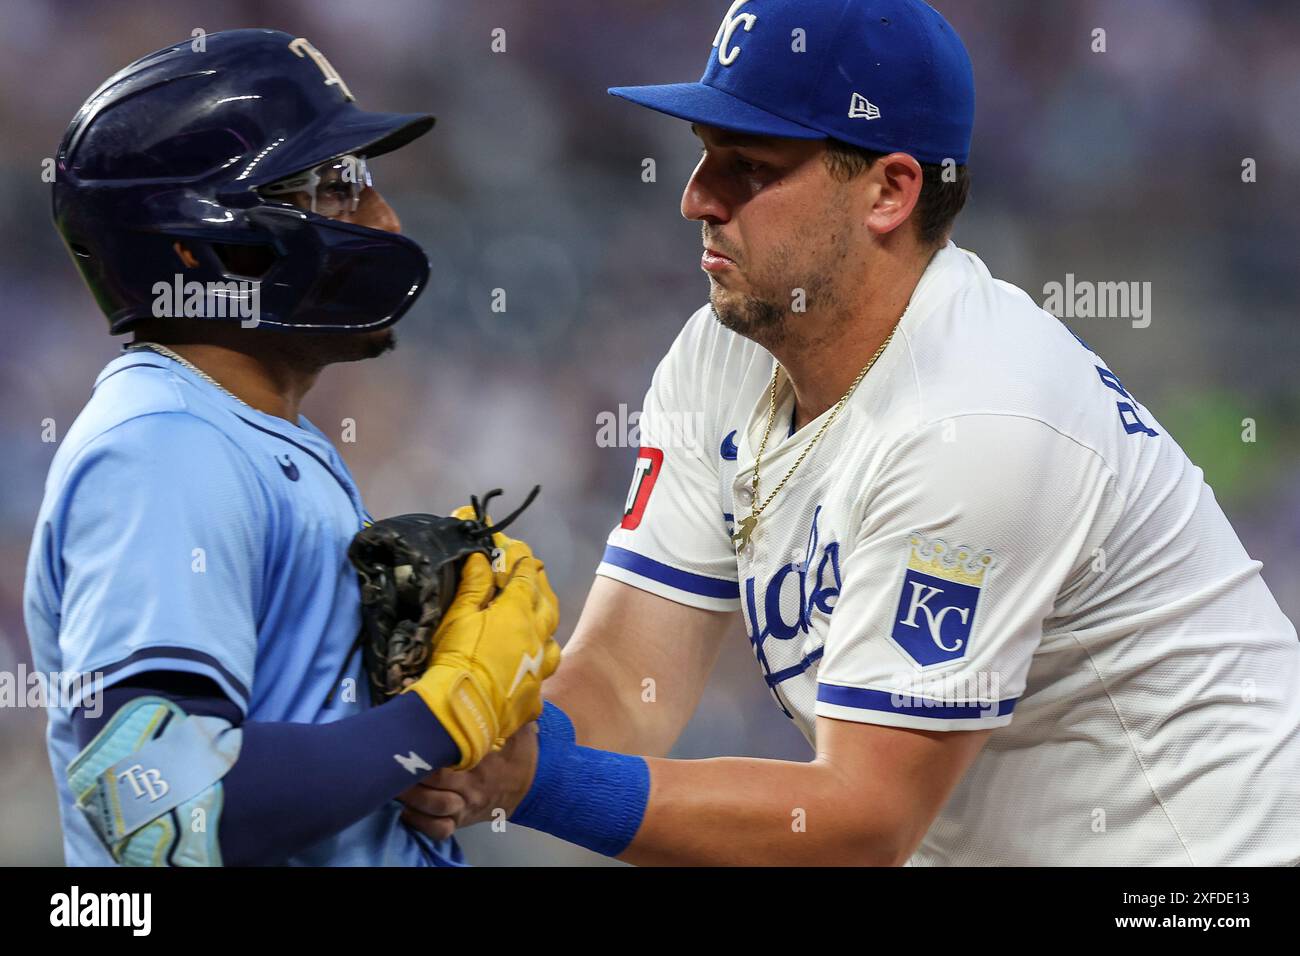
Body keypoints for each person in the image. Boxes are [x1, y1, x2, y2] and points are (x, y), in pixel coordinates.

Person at [399, 0, 1300, 865]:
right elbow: (631, 678)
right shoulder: (728, 348)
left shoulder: (980, 415)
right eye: (703, 152)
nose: (696, 199)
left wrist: (537, 782)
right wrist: (489, 744)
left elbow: (861, 825)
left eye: (747, 165)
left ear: (890, 191)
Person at [24, 28, 559, 867]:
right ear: (204, 244)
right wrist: (437, 719)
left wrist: (437, 728)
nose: (384, 220)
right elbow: (157, 809)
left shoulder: (242, 431)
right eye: (337, 189)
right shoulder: (166, 449)